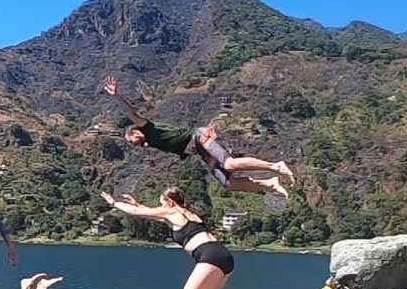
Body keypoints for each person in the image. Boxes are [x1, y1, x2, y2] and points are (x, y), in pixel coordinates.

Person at [102, 76, 294, 198]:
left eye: (132, 141)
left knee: (229, 164)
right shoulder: (150, 141)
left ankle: (275, 166)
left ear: (136, 132)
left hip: (200, 137)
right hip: (200, 152)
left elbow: (131, 113)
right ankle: (269, 183)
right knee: (228, 183)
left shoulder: (148, 128)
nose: (134, 145)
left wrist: (116, 96)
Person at [101, 187, 236, 289]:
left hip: (210, 256)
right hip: (224, 255)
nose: (161, 207)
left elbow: (136, 211)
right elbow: (151, 213)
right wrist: (138, 204)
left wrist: (113, 203)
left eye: (162, 204)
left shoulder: (172, 213)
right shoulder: (190, 215)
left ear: (170, 202)